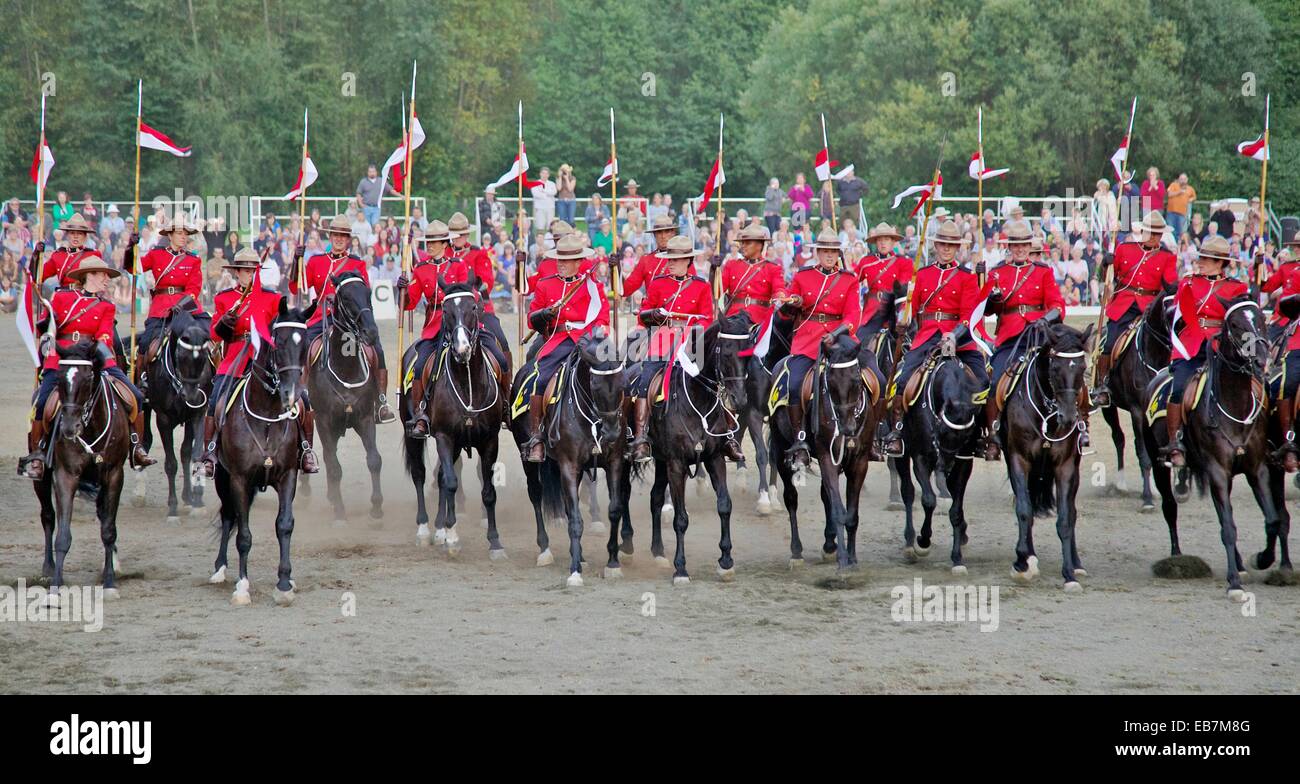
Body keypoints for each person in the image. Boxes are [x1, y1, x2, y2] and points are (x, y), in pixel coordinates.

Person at [19, 258, 155, 480]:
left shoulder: (106, 306)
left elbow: (104, 336)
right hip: (61, 359)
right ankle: (36, 455)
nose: (106, 280)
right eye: (103, 275)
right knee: (42, 403)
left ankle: (136, 448)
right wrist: (47, 340)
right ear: (89, 275)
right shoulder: (61, 297)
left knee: (136, 397)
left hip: (94, 358)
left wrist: (87, 351)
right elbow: (46, 327)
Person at [200, 248, 317, 476]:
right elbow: (214, 335)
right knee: (215, 400)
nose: (249, 275)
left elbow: (284, 326)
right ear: (236, 273)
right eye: (244, 271)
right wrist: (225, 321)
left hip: (265, 358)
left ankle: (305, 448)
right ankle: (210, 452)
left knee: (302, 398)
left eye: (253, 271)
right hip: (235, 356)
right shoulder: (224, 298)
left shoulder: (272, 298)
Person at [883, 220, 987, 458]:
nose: (946, 249)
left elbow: (969, 314)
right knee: (903, 377)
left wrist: (954, 335)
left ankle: (983, 434)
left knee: (981, 381)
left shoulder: (967, 277)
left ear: (958, 248)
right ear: (936, 246)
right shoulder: (922, 274)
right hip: (928, 336)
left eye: (951, 245)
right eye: (942, 244)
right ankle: (898, 431)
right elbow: (912, 306)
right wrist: (904, 315)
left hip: (959, 338)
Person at [629, 235, 729, 462]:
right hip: (663, 340)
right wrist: (651, 315)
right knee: (644, 381)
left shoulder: (702, 285)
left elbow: (707, 319)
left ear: (687, 260)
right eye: (669, 259)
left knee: (716, 381)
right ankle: (641, 435)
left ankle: (727, 435)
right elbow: (644, 316)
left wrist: (694, 334)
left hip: (692, 342)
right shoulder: (658, 283)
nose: (670, 262)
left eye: (675, 259)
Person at [775, 225, 870, 464]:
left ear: (838, 253)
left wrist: (837, 333)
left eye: (833, 251)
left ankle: (874, 435)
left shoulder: (849, 280)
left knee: (874, 375)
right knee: (795, 383)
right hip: (808, 340)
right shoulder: (803, 276)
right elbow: (787, 308)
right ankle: (799, 440)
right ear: (817, 252)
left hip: (841, 339)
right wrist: (791, 302)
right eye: (825, 250)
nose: (829, 255)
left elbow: (853, 315)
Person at [288, 215, 394, 423]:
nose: (338, 239)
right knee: (303, 346)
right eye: (335, 235)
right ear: (330, 237)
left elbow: (363, 292)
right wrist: (295, 261)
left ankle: (380, 400)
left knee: (376, 349)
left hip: (350, 323)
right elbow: (295, 287)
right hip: (320, 318)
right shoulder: (316, 261)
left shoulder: (357, 264)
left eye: (342, 236)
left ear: (348, 240)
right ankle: (301, 395)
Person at [979, 220, 1070, 460]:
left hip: (1039, 335)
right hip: (1009, 337)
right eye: (1015, 245)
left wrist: (1046, 319)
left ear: (1030, 246)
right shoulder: (998, 273)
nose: (1019, 249)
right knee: (995, 382)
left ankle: (1078, 426)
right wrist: (993, 297)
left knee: (1066, 374)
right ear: (1009, 246)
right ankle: (994, 434)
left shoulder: (1043, 271)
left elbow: (1058, 305)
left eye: (1023, 245)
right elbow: (987, 311)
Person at [517, 234, 609, 462]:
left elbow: (602, 317)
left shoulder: (592, 286)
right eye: (559, 259)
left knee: (612, 375)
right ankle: (537, 436)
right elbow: (531, 319)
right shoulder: (545, 284)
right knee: (540, 379)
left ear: (579, 262)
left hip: (586, 340)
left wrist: (593, 337)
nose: (560, 264)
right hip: (558, 341)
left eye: (566, 261)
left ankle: (617, 431)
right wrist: (542, 315)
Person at [1163, 236, 1248, 467]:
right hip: (1191, 345)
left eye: (1205, 259)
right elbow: (1179, 317)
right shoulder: (1188, 283)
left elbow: (1244, 320)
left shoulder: (1236, 287)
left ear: (1219, 263)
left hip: (1222, 347)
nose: (1199, 262)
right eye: (1199, 257)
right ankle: (1175, 441)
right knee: (1178, 387)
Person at [394, 221, 476, 437]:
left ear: (444, 243)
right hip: (433, 327)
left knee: (494, 357)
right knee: (419, 366)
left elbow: (468, 298)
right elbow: (409, 304)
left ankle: (501, 406)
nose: (429, 245)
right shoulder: (421, 269)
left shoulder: (458, 265)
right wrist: (401, 289)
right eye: (427, 241)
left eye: (433, 242)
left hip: (459, 323)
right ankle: (421, 413)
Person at [1090, 211, 1179, 407]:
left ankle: (1171, 382)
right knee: (1110, 341)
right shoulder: (1125, 249)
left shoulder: (1167, 257)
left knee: (1168, 342)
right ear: (1143, 231)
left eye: (1158, 233)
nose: (1155, 236)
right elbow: (1108, 277)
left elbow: (1171, 283)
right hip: (1124, 304)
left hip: (1150, 308)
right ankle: (1103, 384)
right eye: (1151, 232)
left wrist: (1173, 286)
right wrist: (1106, 264)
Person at [131, 215, 210, 379]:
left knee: (208, 339)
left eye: (186, 233)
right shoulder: (156, 255)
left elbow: (194, 288)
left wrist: (182, 305)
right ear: (170, 235)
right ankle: (142, 378)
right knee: (146, 343)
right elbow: (134, 268)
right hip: (161, 308)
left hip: (186, 309)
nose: (183, 237)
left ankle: (212, 377)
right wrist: (131, 247)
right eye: (180, 233)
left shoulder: (193, 259)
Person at [447, 211, 512, 369]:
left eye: (461, 234)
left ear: (467, 234)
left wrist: (471, 297)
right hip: (452, 311)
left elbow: (486, 283)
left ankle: (507, 383)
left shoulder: (478, 253)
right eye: (455, 235)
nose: (458, 238)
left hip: (478, 309)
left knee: (501, 341)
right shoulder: (444, 254)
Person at [720, 222, 785, 358]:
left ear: (760, 245)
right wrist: (714, 271)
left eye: (747, 243)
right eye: (742, 243)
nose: (742, 246)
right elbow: (718, 289)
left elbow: (779, 289)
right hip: (734, 316)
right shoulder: (732, 265)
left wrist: (780, 296)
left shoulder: (772, 268)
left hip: (759, 318)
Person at [854, 223, 911, 336]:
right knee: (859, 342)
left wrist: (902, 314)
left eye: (886, 239)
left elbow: (905, 292)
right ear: (875, 242)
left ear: (893, 241)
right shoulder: (866, 262)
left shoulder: (904, 262)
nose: (883, 243)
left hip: (894, 310)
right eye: (879, 239)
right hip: (872, 312)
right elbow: (851, 282)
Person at [38, 213, 102, 287]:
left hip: (84, 296)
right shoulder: (58, 255)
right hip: (63, 296)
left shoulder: (93, 255)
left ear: (85, 237)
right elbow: (39, 276)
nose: (75, 236)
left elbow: (100, 279)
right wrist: (36, 254)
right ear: (67, 235)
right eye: (72, 233)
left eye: (79, 233)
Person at [1165, 173, 1196, 241]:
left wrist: (1191, 200)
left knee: (1180, 232)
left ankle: (1178, 247)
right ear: (1179, 179)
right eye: (1181, 179)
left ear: (1187, 180)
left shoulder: (1190, 188)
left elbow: (1194, 197)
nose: (1183, 181)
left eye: (1184, 179)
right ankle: (1172, 245)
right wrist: (1179, 192)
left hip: (1182, 213)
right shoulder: (1173, 185)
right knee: (1171, 230)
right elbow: (1169, 194)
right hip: (1171, 212)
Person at [531, 167, 557, 240]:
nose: (544, 175)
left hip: (550, 207)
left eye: (546, 173)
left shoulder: (552, 184)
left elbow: (554, 192)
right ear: (540, 174)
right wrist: (547, 194)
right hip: (539, 208)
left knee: (550, 225)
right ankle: (540, 240)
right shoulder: (535, 183)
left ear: (548, 175)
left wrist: (544, 191)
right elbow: (535, 194)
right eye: (543, 173)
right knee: (540, 226)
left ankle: (550, 240)